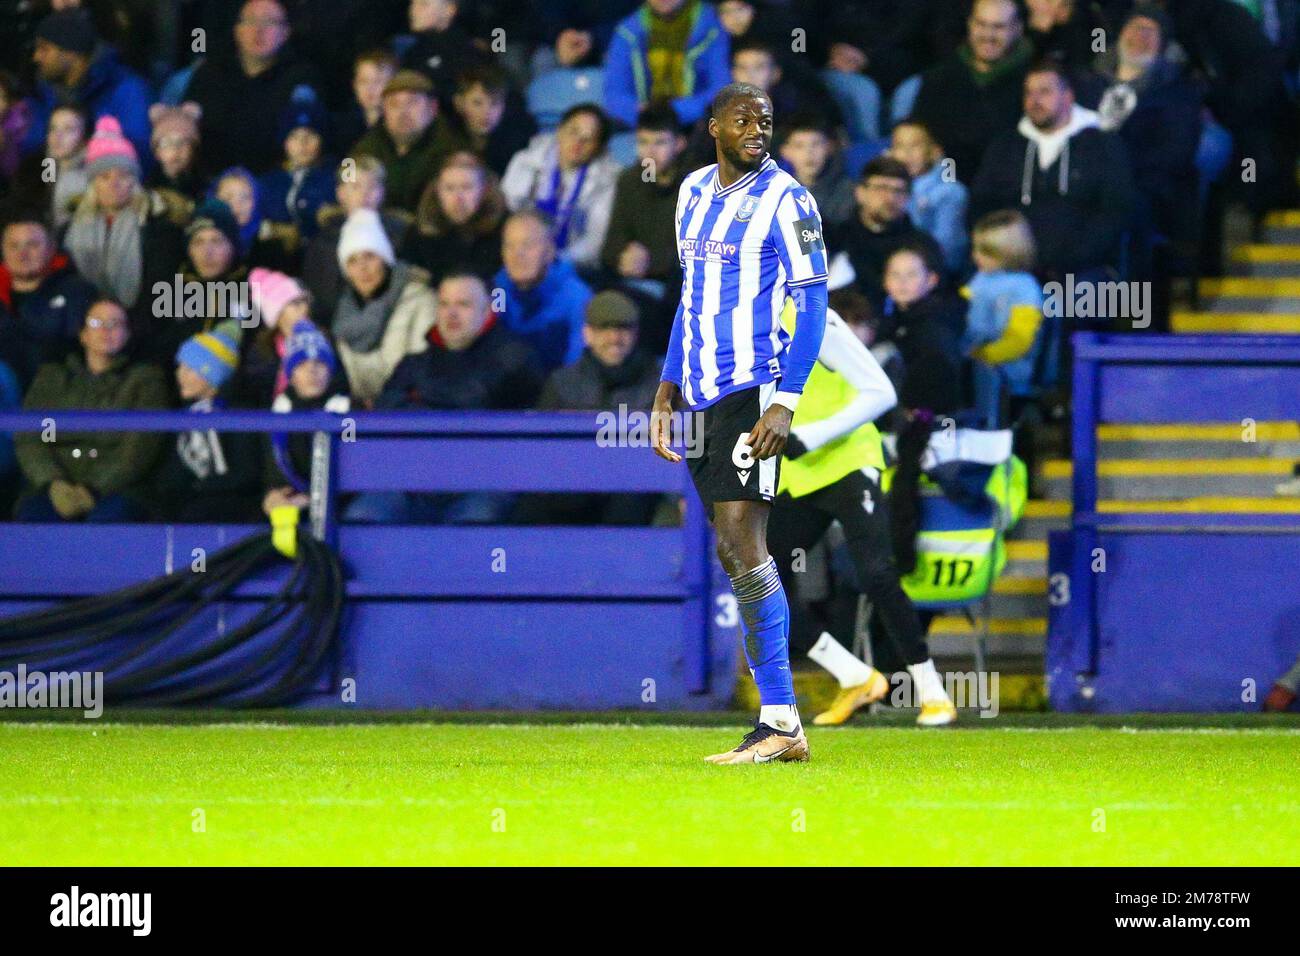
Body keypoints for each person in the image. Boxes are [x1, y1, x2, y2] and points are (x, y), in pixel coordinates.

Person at [650, 82, 828, 764]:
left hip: (752, 387)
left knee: (740, 538)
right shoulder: (692, 191)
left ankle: (780, 719)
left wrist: (787, 399)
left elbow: (812, 304)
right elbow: (690, 296)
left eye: (767, 118)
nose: (759, 126)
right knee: (731, 550)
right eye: (744, 117)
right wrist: (666, 387)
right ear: (714, 125)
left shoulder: (790, 201)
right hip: (697, 390)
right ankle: (780, 722)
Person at [768, 304, 957, 726]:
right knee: (755, 580)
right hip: (796, 473)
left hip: (849, 460)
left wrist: (810, 436)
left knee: (876, 574)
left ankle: (933, 694)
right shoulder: (734, 323)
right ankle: (853, 675)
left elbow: (881, 393)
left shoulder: (810, 314)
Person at [346, 271, 542, 525]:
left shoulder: (516, 360)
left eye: (463, 304)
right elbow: (386, 416)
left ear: (488, 310)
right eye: (444, 304)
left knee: (474, 526)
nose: (451, 313)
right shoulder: (413, 364)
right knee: (363, 518)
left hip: (481, 488)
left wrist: (424, 406)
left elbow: (524, 438)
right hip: (409, 487)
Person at [970, 61, 1136, 284]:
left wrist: (1070, 258)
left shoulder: (1102, 145)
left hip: (1083, 270)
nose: (1034, 100)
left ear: (1068, 96)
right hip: (1010, 266)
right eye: (1029, 93)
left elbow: (1116, 211)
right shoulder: (1005, 146)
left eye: (1045, 91)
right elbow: (982, 204)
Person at [14, 299, 169, 522]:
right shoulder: (52, 377)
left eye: (115, 324)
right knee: (35, 519)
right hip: (52, 486)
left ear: (127, 334)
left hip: (117, 489)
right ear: (83, 334)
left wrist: (92, 490)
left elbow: (138, 449)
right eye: (97, 322)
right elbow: (28, 436)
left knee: (106, 523)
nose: (106, 330)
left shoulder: (146, 381)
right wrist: (53, 482)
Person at [517, 290, 663, 526]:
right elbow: (541, 448)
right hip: (573, 483)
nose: (614, 338)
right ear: (587, 334)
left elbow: (679, 443)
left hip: (636, 485)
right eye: (604, 329)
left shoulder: (659, 384)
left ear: (636, 334)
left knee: (629, 504)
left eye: (623, 329)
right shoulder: (563, 382)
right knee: (533, 506)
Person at [61, 116, 187, 321]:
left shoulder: (159, 229)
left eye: (124, 175)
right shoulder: (68, 230)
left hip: (140, 328)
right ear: (93, 183)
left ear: (134, 181)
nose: (115, 183)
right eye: (104, 177)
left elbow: (159, 296)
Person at [185, 0, 324, 177]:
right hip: (210, 182)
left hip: (277, 185)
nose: (259, 31)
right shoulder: (209, 74)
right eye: (251, 21)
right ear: (237, 30)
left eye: (269, 22)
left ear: (286, 32)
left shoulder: (302, 79)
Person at [908, 0, 1033, 184]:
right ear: (970, 25)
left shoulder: (1034, 81)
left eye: (998, 27)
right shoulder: (939, 78)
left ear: (1018, 29)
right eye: (981, 25)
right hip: (945, 182)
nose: (988, 35)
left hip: (1009, 185)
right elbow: (923, 135)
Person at [152, 320, 264, 522]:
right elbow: (173, 471)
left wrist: (198, 488)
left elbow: (246, 473)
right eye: (180, 367)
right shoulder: (187, 415)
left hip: (231, 504)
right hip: (193, 499)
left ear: (211, 373)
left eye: (189, 369)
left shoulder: (239, 414)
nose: (179, 375)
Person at [599, 103, 688, 355]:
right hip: (632, 283)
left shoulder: (697, 183)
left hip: (675, 287)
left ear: (679, 143)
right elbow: (611, 245)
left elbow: (698, 250)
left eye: (659, 143)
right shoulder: (629, 181)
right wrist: (622, 257)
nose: (650, 152)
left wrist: (650, 262)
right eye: (643, 142)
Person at [331, 208, 436, 407]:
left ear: (385, 259)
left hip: (407, 414)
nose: (363, 268)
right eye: (352, 261)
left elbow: (421, 371)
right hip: (362, 416)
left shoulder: (420, 300)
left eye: (370, 256)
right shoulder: (343, 316)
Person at [501, 103, 620, 273]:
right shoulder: (525, 162)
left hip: (574, 268)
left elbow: (594, 241)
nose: (578, 142)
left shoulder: (607, 181)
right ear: (559, 130)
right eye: (573, 132)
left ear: (598, 147)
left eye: (588, 139)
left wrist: (552, 260)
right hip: (520, 257)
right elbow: (511, 210)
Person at [23, 8, 151, 160]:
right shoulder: (47, 91)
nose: (36, 57)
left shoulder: (127, 89)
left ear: (71, 52)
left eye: (45, 49)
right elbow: (40, 153)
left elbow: (137, 155)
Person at [963, 210, 1048, 421]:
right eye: (975, 249)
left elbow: (1020, 341)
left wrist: (982, 356)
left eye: (986, 252)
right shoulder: (980, 279)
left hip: (1005, 368)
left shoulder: (1024, 287)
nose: (976, 257)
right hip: (970, 360)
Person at [301, 157, 411, 319]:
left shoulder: (400, 233)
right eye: (355, 187)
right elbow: (320, 294)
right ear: (341, 193)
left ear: (382, 192)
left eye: (372, 187)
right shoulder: (324, 240)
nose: (364, 195)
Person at [832, 156, 945, 313]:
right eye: (880, 188)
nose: (890, 198)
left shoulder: (923, 246)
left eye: (898, 191)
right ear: (860, 193)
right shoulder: (836, 237)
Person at [262, 319, 351, 518]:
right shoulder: (277, 413)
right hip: (293, 503)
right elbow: (273, 473)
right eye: (302, 364)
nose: (312, 370)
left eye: (320, 363)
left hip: (340, 504)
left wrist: (312, 498)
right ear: (290, 374)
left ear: (331, 370)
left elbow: (356, 474)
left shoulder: (350, 412)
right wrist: (274, 495)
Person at [0, 216, 95, 392]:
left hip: (59, 393)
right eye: (14, 246)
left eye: (33, 245)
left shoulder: (77, 293)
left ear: (51, 249)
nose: (22, 254)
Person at [603, 0, 732, 128]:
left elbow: (721, 88)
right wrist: (642, 113)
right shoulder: (628, 31)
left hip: (700, 125)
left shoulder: (713, 26)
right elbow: (615, 93)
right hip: (643, 126)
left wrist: (673, 112)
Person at [493, 210, 593, 373]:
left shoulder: (576, 297)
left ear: (550, 251)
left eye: (528, 245)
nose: (518, 254)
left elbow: (577, 364)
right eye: (509, 245)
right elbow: (493, 339)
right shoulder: (498, 290)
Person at [350, 69, 458, 213]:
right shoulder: (365, 147)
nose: (403, 112)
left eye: (412, 102)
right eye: (394, 104)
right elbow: (345, 175)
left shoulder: (452, 151)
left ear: (432, 108)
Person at [877, 244, 967, 416]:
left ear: (931, 280)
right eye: (895, 274)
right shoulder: (888, 322)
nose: (902, 282)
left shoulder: (938, 324)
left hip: (929, 418)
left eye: (912, 274)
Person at [400, 151, 506, 285]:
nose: (458, 198)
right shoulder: (420, 232)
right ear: (438, 191)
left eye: (467, 188)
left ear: (484, 190)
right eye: (449, 188)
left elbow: (502, 292)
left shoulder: (505, 230)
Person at [890, 119, 969, 274]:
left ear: (935, 151)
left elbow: (948, 251)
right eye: (899, 146)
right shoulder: (885, 187)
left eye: (915, 145)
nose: (906, 154)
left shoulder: (950, 192)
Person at [257, 93, 336, 244]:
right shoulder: (268, 181)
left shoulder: (341, 168)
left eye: (310, 135)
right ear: (285, 142)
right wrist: (273, 229)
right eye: (294, 136)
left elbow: (355, 188)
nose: (302, 143)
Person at [444, 64, 537, 178]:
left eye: (495, 103)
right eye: (477, 103)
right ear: (459, 103)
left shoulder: (519, 139)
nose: (487, 112)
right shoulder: (446, 137)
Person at [6, 104, 88, 231]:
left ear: (84, 136)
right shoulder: (34, 168)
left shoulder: (95, 173)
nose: (57, 136)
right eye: (53, 128)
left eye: (68, 129)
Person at [777, 115, 855, 229]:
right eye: (799, 146)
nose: (809, 153)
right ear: (785, 151)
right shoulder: (776, 191)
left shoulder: (847, 191)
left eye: (816, 144)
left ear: (829, 147)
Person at [330, 48, 398, 157]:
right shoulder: (343, 127)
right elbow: (346, 166)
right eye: (363, 81)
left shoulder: (403, 125)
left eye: (378, 81)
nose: (370, 89)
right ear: (354, 85)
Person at [146, 102, 205, 206]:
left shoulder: (204, 189)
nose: (175, 149)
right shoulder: (145, 188)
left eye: (183, 142)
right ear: (157, 151)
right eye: (167, 143)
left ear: (192, 150)